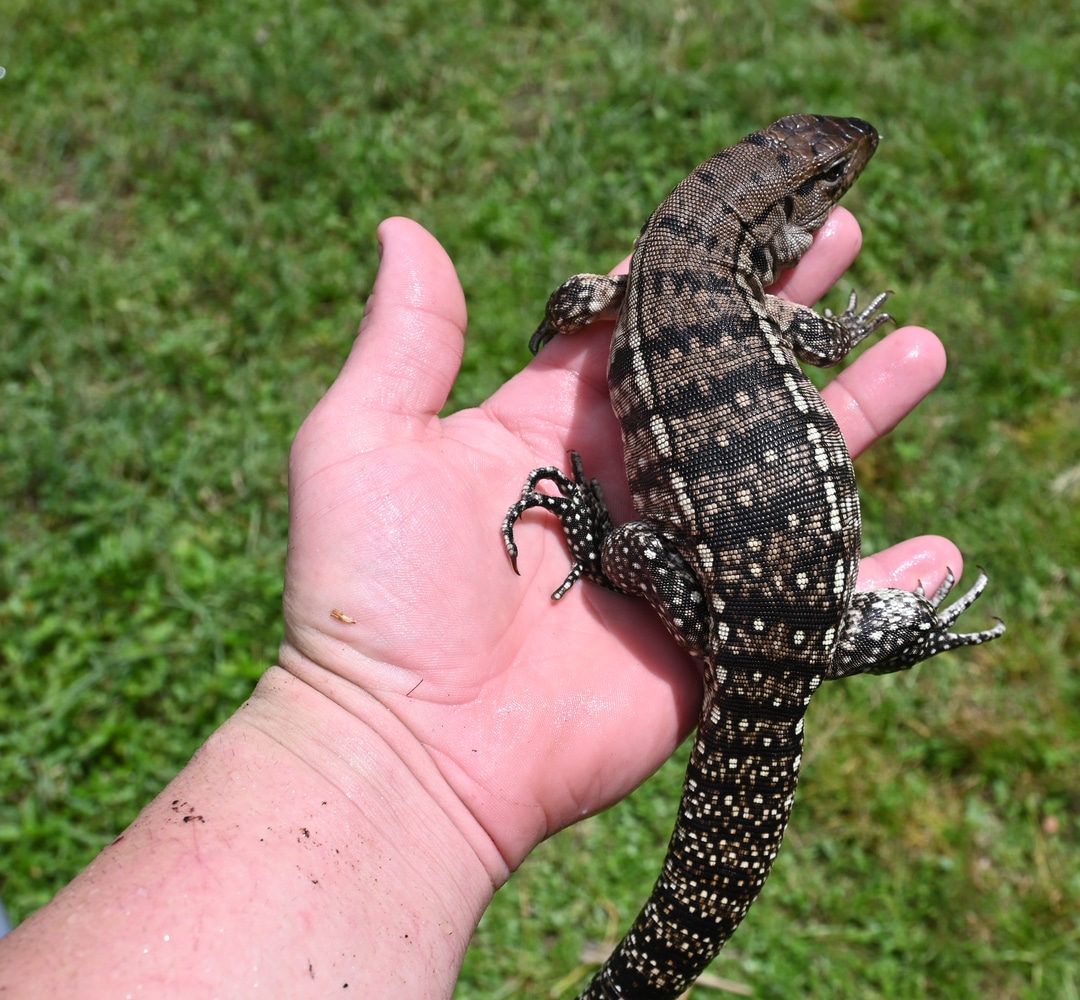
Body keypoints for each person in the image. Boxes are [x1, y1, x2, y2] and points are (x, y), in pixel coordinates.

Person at [0, 212, 969, 998]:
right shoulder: (733, 305)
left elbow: (578, 309)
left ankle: (865, 628)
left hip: (765, 619)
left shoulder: (643, 290)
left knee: (724, 611)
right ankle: (885, 629)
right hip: (777, 624)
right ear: (772, 224)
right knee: (765, 637)